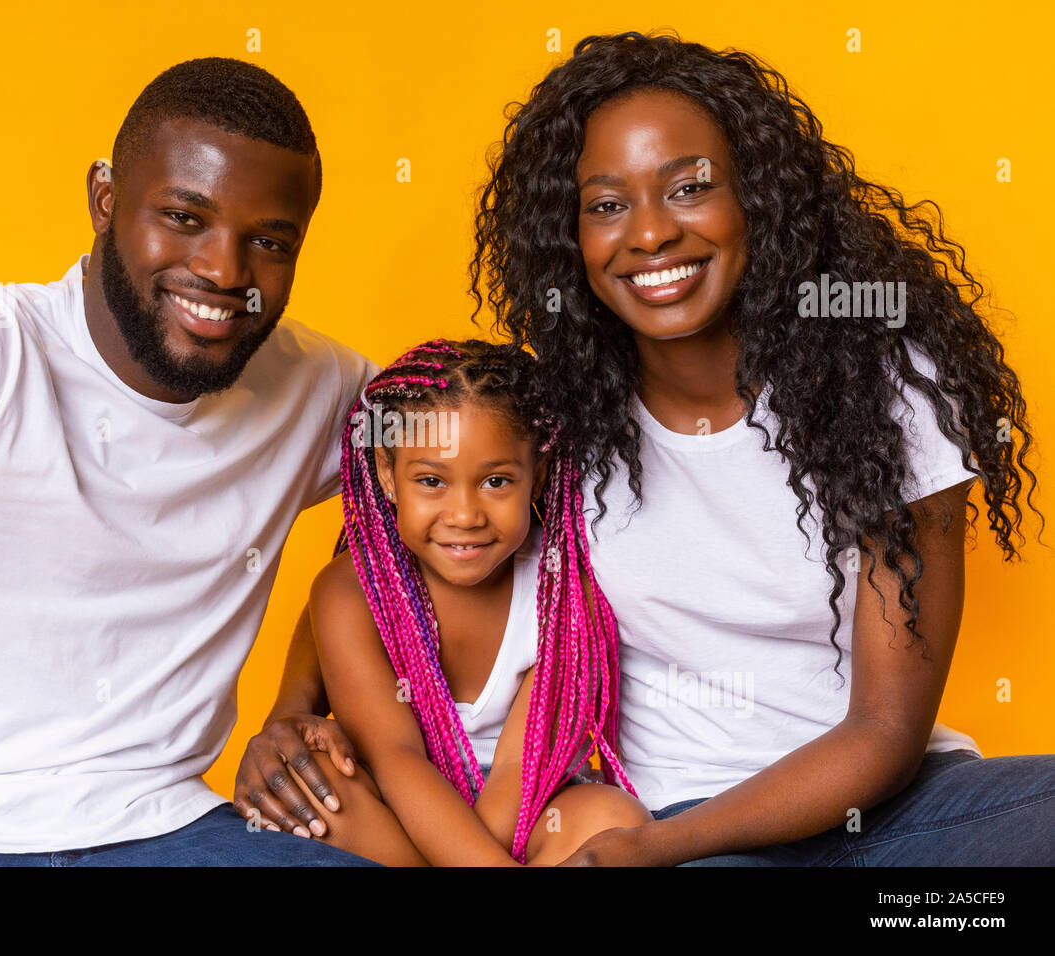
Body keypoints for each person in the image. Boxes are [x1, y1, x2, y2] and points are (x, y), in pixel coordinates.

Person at [238, 31, 1055, 865]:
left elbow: (885, 730)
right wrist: (288, 712)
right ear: (571, 236)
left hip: (873, 808)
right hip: (679, 813)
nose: (652, 234)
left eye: (690, 187)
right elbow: (378, 557)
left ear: (760, 201)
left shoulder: (880, 390)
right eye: (606, 204)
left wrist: (656, 851)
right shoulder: (564, 410)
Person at [0, 57, 377, 866]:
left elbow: (449, 485)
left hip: (168, 830)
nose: (225, 272)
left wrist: (303, 702)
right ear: (105, 198)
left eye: (267, 241)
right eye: (186, 217)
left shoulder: (318, 384)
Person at [291, 339, 651, 866]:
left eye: (496, 481)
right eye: (432, 481)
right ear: (389, 476)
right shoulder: (352, 592)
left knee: (612, 819)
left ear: (540, 471)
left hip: (531, 810)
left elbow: (516, 774)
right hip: (400, 816)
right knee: (314, 789)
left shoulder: (566, 597)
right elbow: (395, 757)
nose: (464, 515)